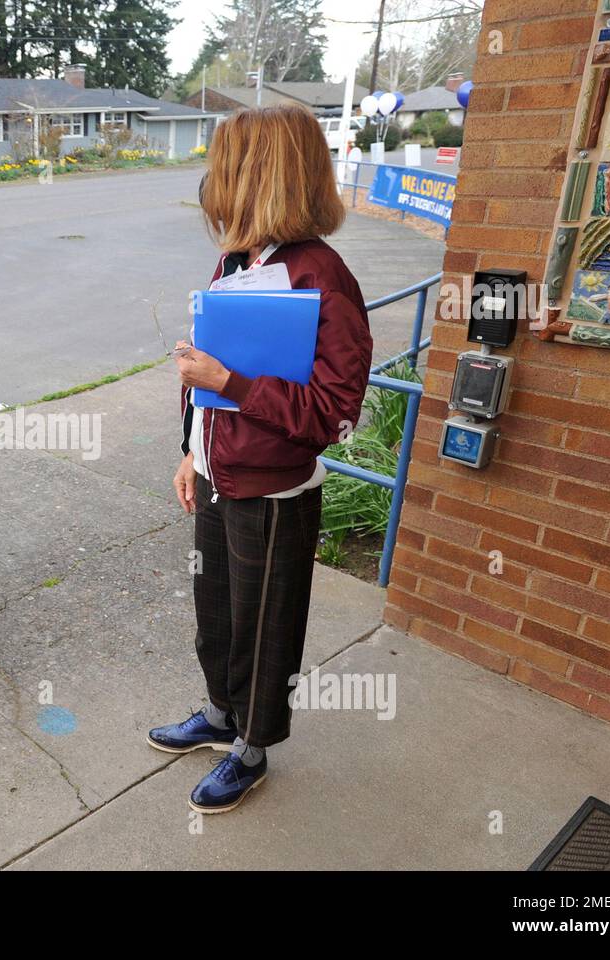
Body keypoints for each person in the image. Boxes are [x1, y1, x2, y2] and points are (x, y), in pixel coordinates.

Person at [147, 105, 373, 814]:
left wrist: (231, 385)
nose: (214, 179)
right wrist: (191, 451)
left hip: (274, 491)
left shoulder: (321, 277)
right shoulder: (240, 260)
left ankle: (252, 744)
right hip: (218, 473)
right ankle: (220, 714)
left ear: (261, 176)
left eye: (226, 165)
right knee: (215, 612)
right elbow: (210, 372)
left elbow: (333, 415)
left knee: (264, 625)